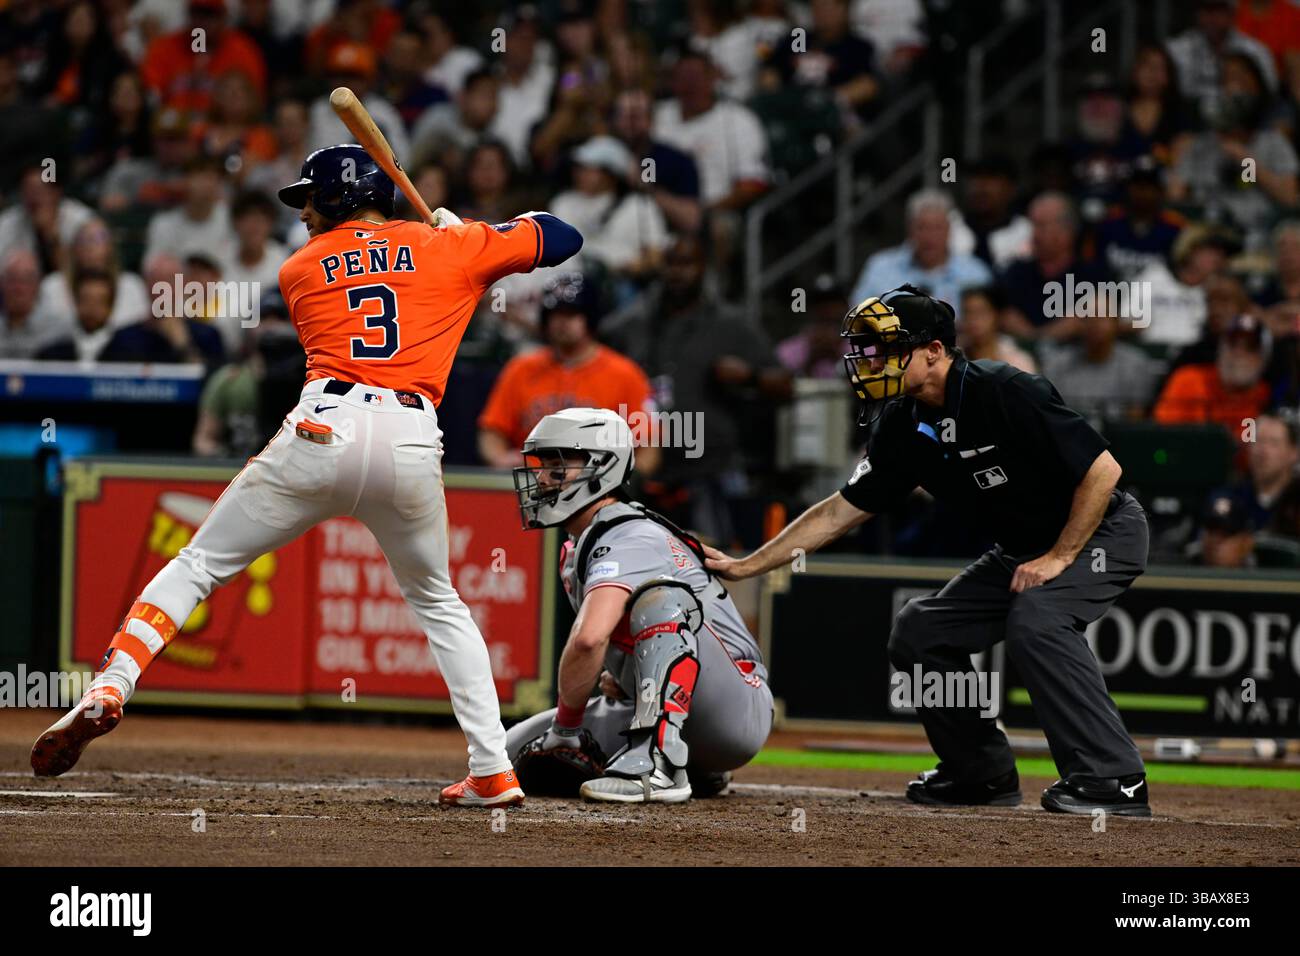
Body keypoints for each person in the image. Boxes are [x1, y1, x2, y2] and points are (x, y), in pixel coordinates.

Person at [30, 143, 585, 812]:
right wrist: (467, 233)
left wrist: (448, 244)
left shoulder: (299, 270)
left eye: (312, 200)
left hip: (325, 428)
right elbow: (563, 236)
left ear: (345, 199)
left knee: (198, 563)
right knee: (440, 602)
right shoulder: (452, 247)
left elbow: (373, 271)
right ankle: (493, 771)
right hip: (412, 438)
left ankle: (111, 686)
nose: (304, 215)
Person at [704, 284, 1153, 816]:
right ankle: (979, 773)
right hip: (1021, 548)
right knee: (922, 631)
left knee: (1038, 620)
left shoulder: (1003, 388)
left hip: (1104, 529)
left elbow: (1103, 471)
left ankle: (1113, 779)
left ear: (935, 351)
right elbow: (837, 511)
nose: (871, 362)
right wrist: (746, 564)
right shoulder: (901, 424)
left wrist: (1058, 558)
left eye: (888, 349)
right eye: (868, 350)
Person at [504, 407, 772, 803]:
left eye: (557, 466)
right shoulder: (584, 543)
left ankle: (658, 765)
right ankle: (697, 768)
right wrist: (627, 678)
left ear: (602, 469)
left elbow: (588, 640)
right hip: (690, 710)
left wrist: (566, 728)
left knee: (661, 601)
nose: (542, 478)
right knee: (503, 758)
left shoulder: (630, 536)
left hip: (733, 711)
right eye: (542, 465)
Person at [476, 272, 658, 474]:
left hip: (596, 489)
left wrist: (623, 482)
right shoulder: (520, 368)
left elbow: (649, 447)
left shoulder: (625, 374)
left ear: (590, 317)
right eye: (556, 314)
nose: (562, 322)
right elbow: (491, 432)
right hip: (532, 487)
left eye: (572, 314)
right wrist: (499, 458)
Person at [850, 189, 993, 312]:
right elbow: (856, 317)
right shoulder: (879, 268)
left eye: (937, 228)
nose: (929, 237)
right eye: (922, 227)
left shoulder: (975, 274)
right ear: (909, 229)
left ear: (949, 231)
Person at [1153, 312, 1272, 444]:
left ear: (1263, 358)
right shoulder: (1188, 380)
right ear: (1220, 350)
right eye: (1232, 345)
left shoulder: (1266, 396)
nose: (1239, 354)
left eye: (1250, 348)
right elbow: (1164, 435)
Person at [1038, 312, 1161, 421]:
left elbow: (1135, 421)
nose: (1095, 323)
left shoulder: (1135, 364)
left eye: (1102, 317)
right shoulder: (1057, 364)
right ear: (1079, 324)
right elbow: (1049, 415)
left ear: (1116, 323)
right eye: (1088, 317)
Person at [955, 285, 1036, 373]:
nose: (973, 319)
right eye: (967, 312)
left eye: (981, 312)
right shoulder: (952, 357)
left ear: (997, 315)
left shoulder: (1017, 361)